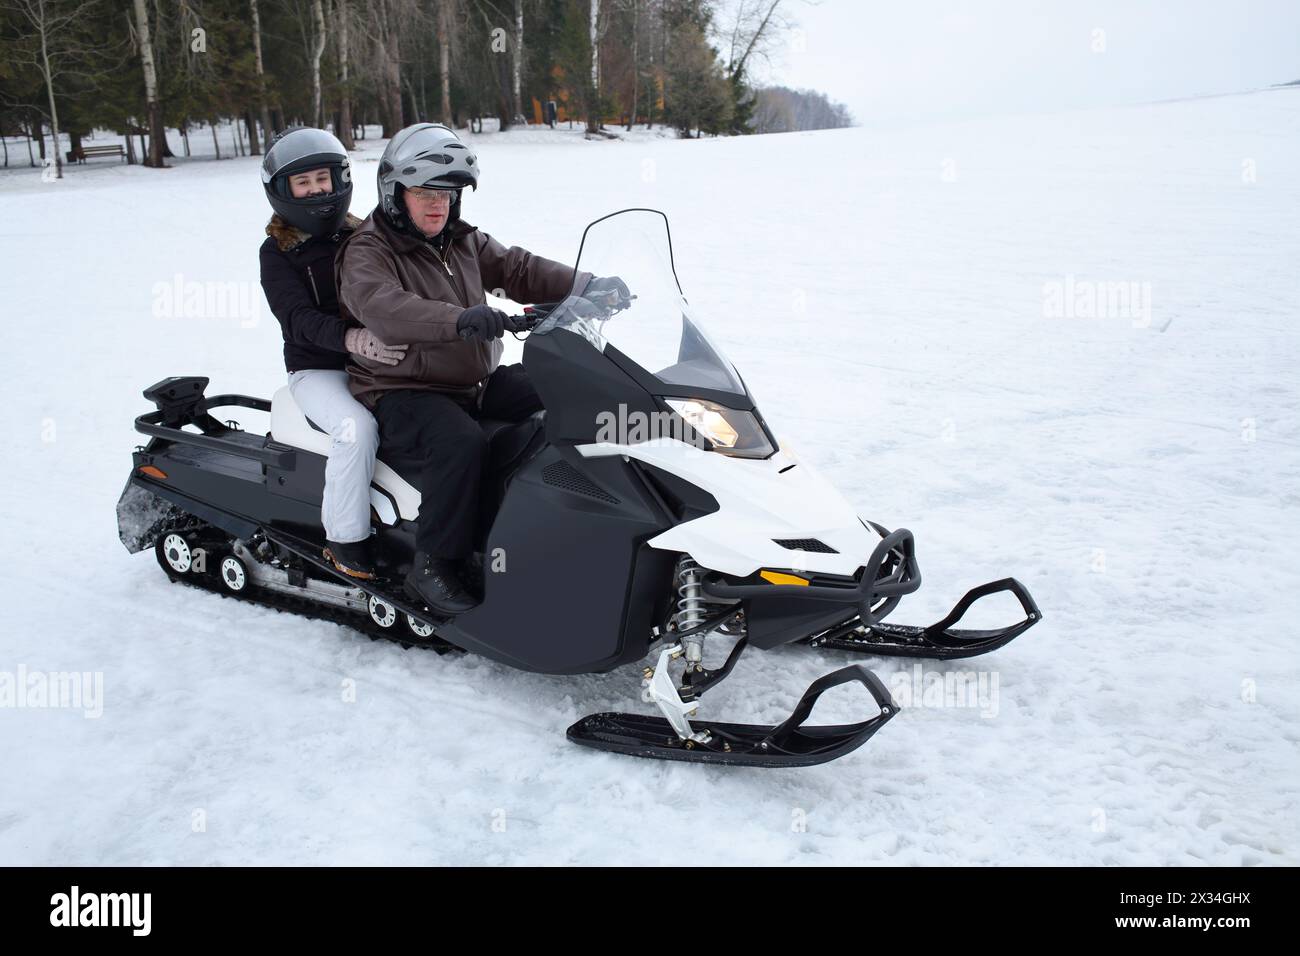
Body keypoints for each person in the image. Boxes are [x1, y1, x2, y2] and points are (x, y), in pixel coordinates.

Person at [338, 123, 625, 614]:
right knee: (461, 441)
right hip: (403, 390)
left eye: (448, 195)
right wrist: (459, 319)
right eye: (425, 193)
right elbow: (384, 308)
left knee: (570, 384)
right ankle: (435, 565)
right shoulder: (368, 250)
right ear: (393, 192)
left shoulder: (461, 239)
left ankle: (600, 513)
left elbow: (517, 269)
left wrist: (587, 285)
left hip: (473, 382)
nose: (438, 205)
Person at [259, 126, 409, 580]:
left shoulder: (362, 234)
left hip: (377, 358)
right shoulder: (277, 253)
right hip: (317, 369)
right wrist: (351, 339)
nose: (316, 190)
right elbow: (296, 318)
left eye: (321, 179)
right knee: (355, 428)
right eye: (302, 184)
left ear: (339, 179)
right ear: (283, 193)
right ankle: (346, 540)